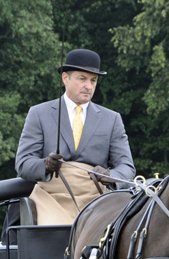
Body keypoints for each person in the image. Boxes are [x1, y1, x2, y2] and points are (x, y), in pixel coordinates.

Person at [15, 49, 136, 225]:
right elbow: (23, 164)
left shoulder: (112, 119)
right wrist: (46, 165)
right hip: (51, 197)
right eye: (82, 79)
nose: (88, 85)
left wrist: (111, 175)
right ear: (66, 78)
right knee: (55, 236)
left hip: (97, 199)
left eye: (93, 80)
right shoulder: (39, 114)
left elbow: (127, 167)